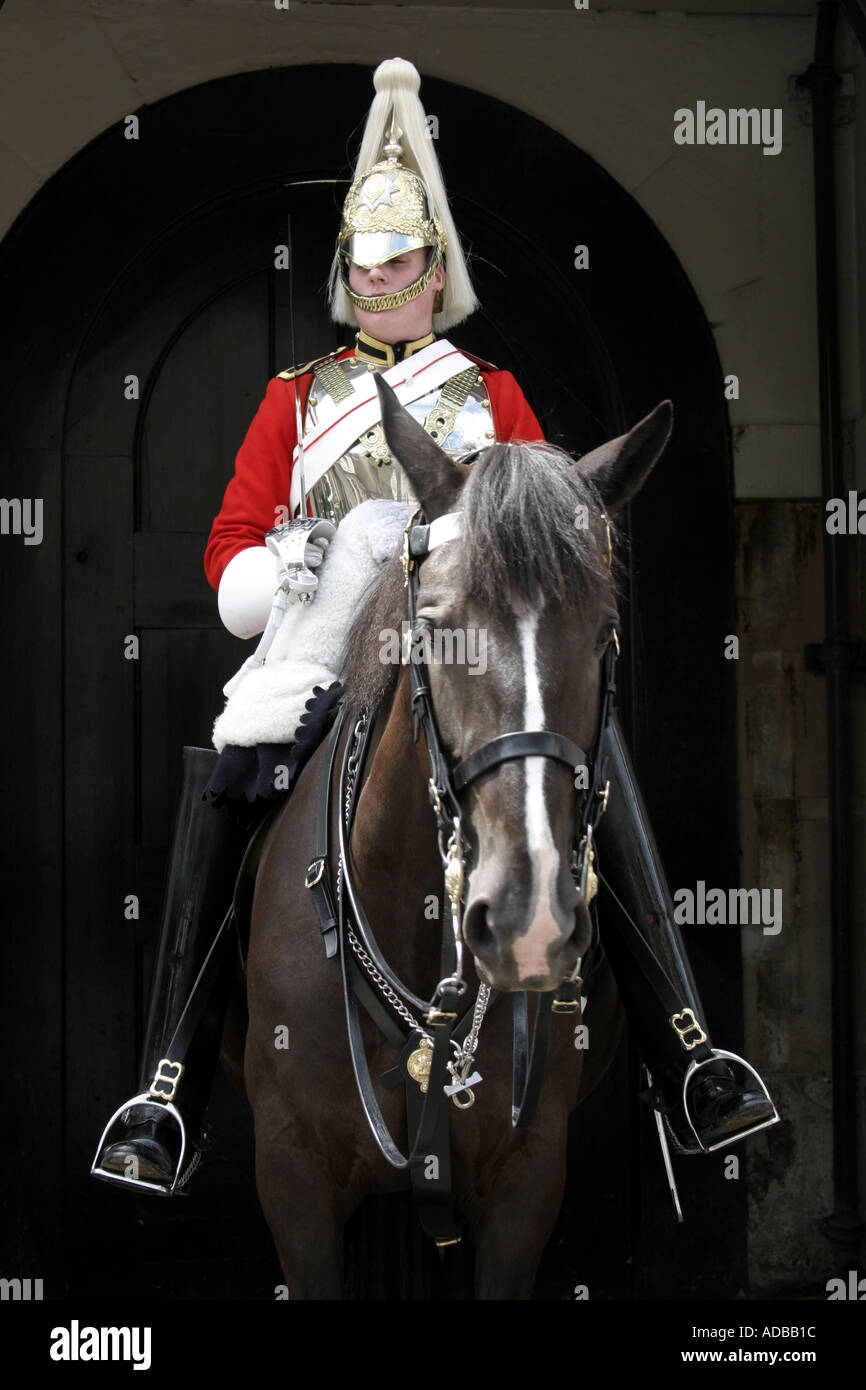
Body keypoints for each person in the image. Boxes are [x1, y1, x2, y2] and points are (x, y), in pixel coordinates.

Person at [92, 58, 775, 1197]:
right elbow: (227, 549)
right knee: (233, 770)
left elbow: (551, 524)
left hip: (466, 638)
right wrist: (282, 560)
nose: (379, 288)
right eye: (361, 272)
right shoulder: (291, 396)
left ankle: (690, 1056)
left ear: (435, 270)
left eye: (399, 266)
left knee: (585, 752)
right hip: (320, 639)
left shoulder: (492, 391)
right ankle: (168, 1084)